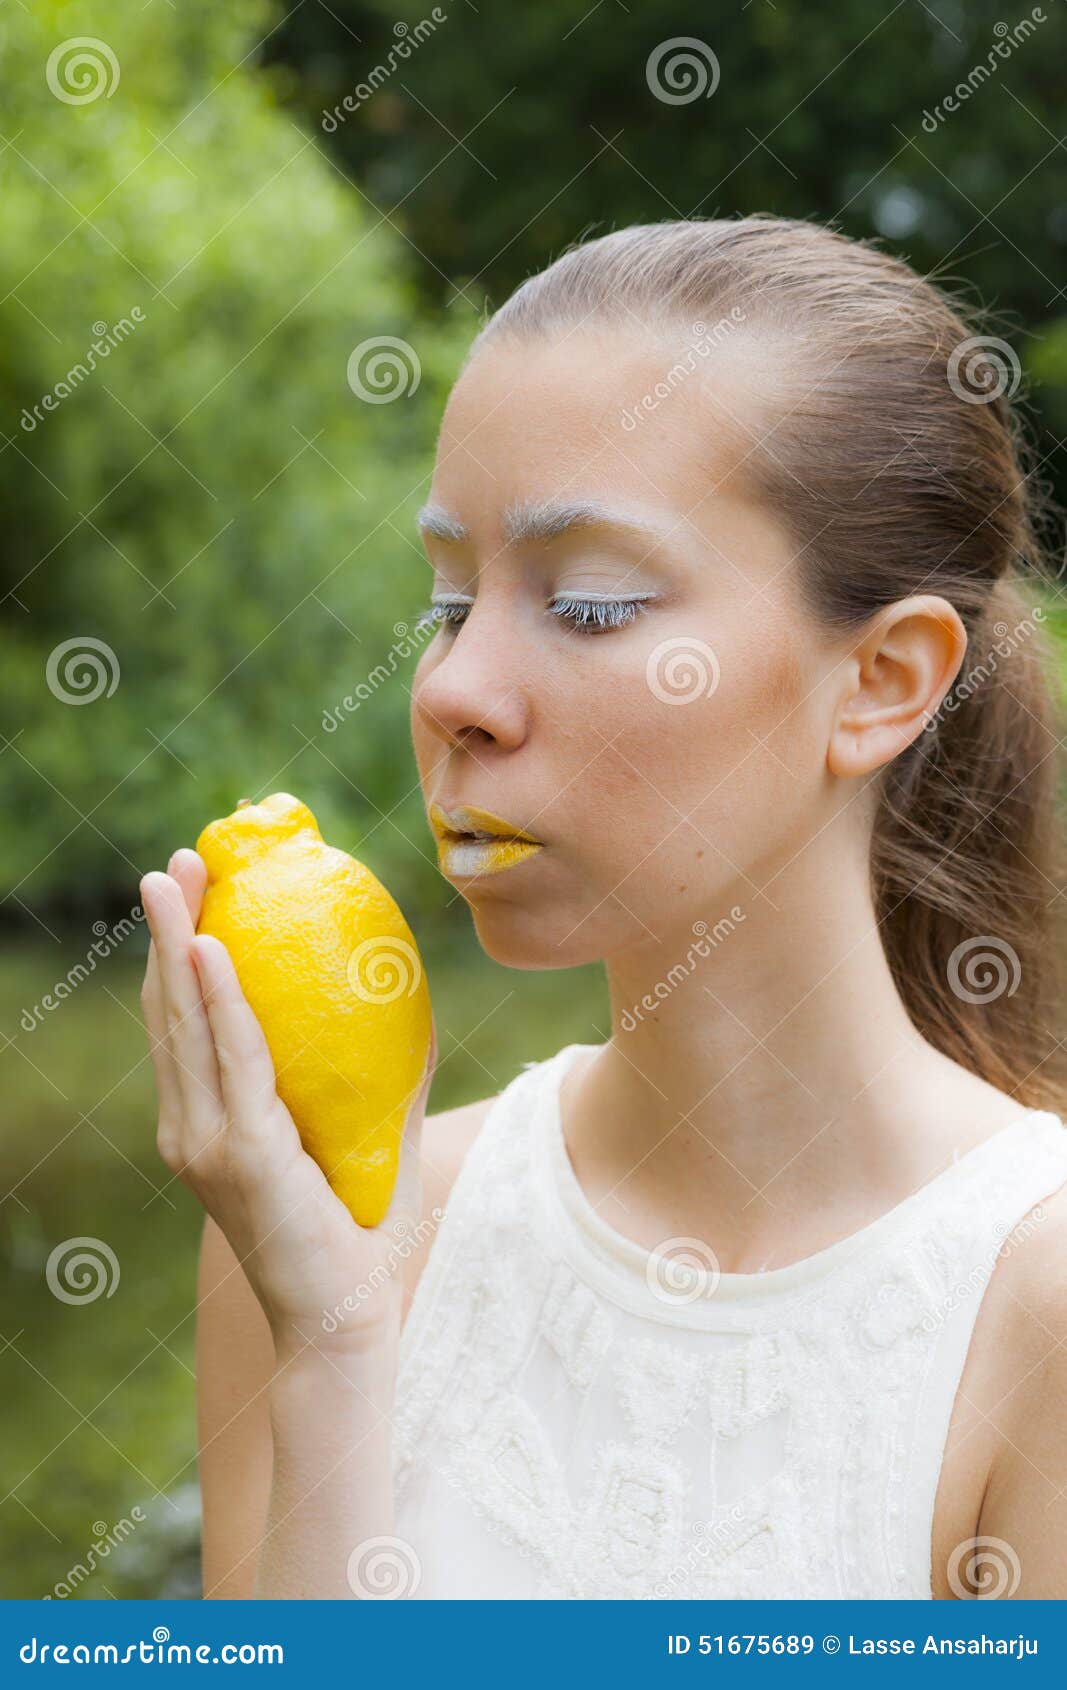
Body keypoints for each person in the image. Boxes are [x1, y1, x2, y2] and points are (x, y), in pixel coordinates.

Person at [139, 215, 1067, 1600]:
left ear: (882, 682)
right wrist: (332, 1346)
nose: (456, 691)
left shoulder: (1036, 1308)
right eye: (448, 604)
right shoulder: (316, 1236)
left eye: (588, 604)